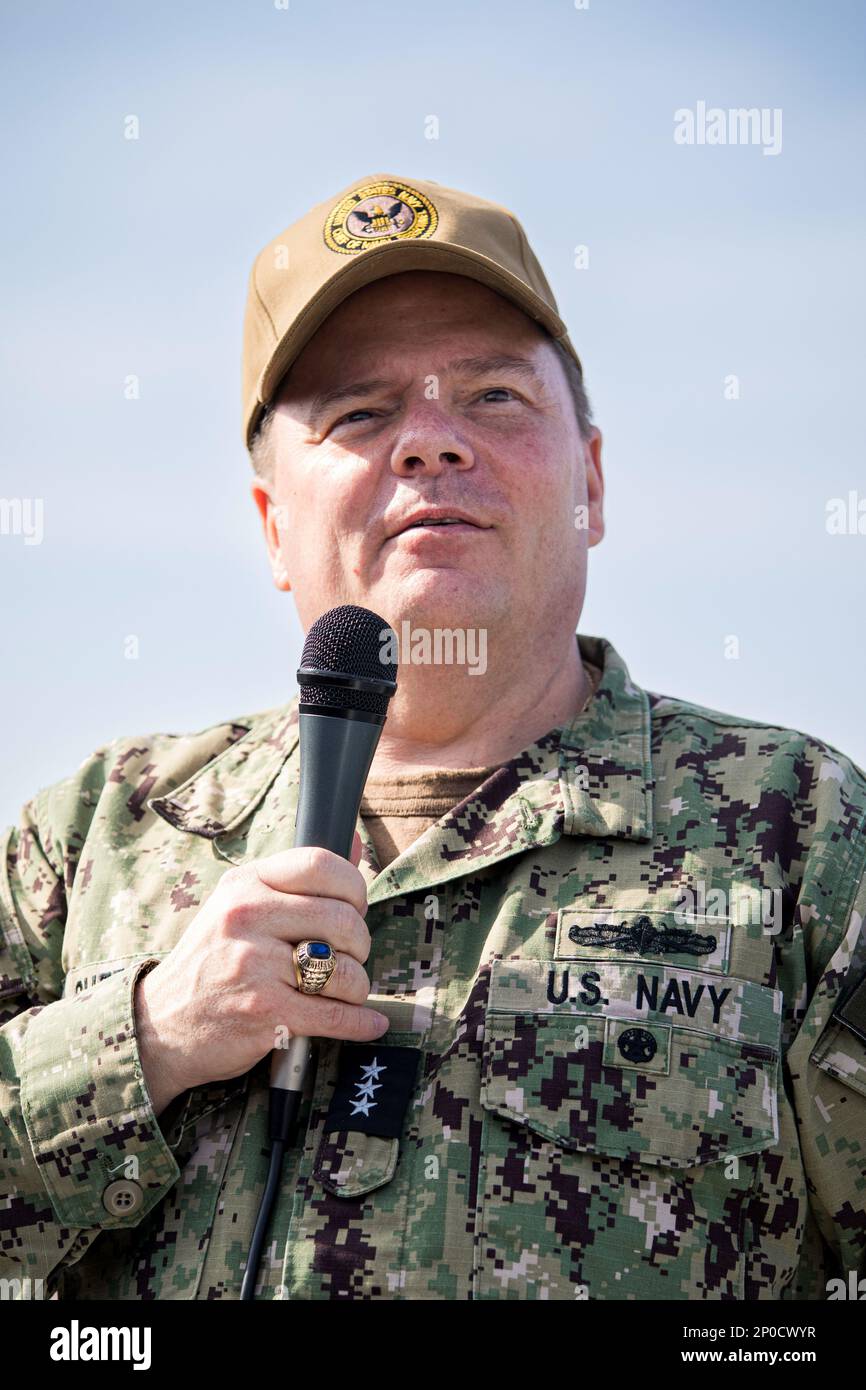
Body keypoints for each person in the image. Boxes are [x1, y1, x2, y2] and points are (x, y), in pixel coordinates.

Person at [1, 173, 864, 1302]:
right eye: (359, 413)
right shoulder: (90, 838)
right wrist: (150, 1036)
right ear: (271, 525)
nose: (428, 443)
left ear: (589, 486)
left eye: (493, 396)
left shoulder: (798, 828)